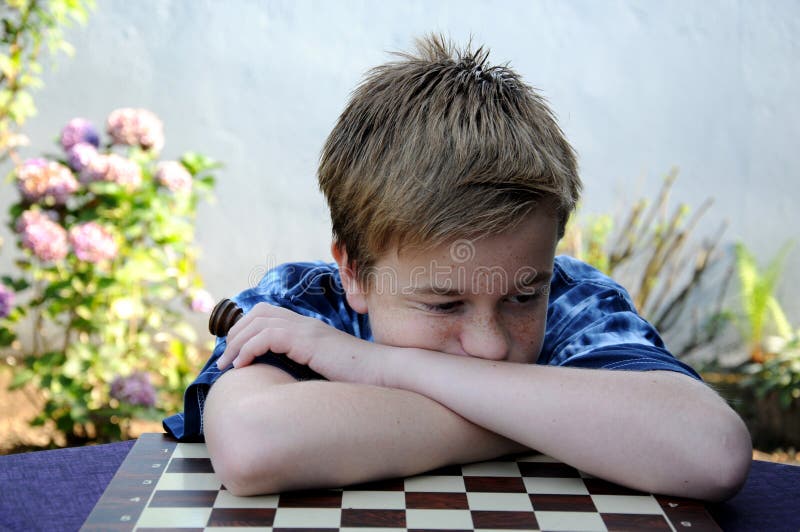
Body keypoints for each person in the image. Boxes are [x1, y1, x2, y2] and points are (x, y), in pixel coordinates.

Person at [163, 35, 751, 501]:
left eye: (523, 298)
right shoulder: (302, 302)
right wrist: (555, 423)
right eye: (444, 304)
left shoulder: (575, 299)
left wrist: (381, 364)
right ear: (355, 274)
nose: (490, 346)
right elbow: (254, 445)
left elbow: (711, 451)